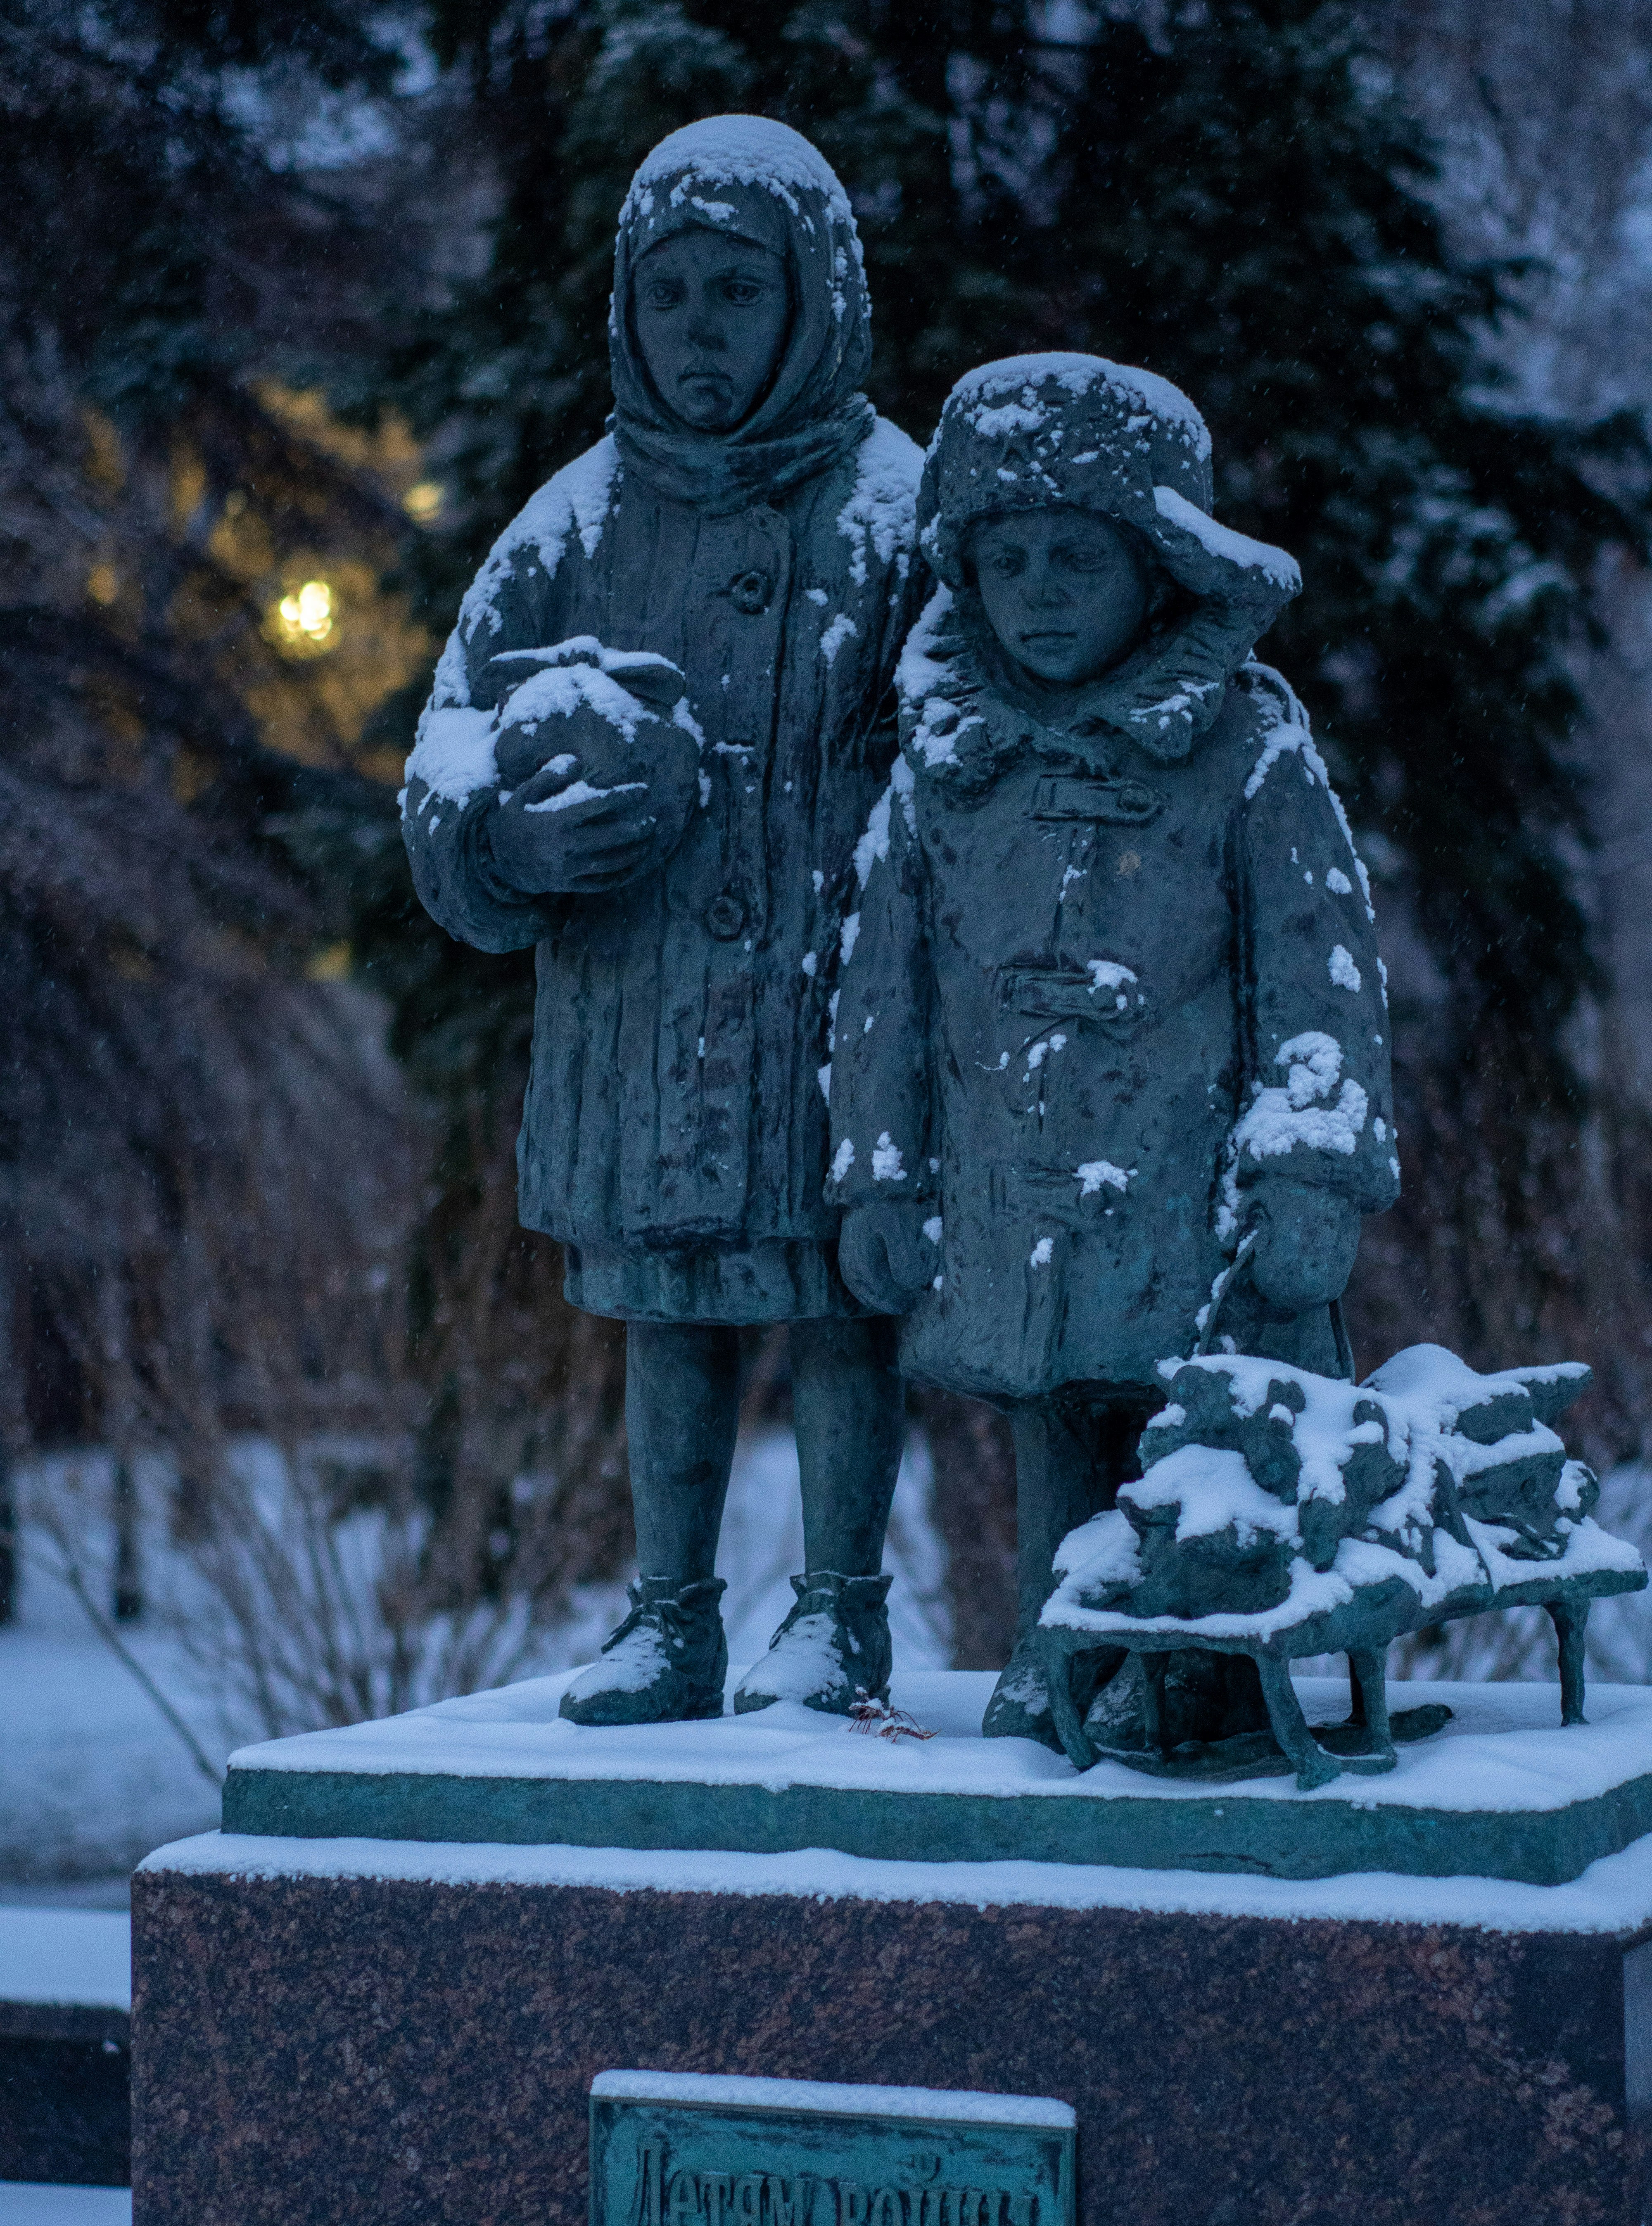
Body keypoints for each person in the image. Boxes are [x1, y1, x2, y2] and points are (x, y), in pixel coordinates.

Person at [401, 118, 926, 1725]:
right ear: (625, 309)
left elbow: (968, 749)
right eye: (672, 292)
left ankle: (841, 1611)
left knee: (841, 1308)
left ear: (813, 302)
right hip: (639, 1011)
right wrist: (501, 832)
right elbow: (445, 744)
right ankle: (669, 1616)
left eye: (737, 293)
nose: (701, 330)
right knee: (666, 1314)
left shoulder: (898, 512)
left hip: (832, 1007)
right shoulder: (575, 522)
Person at [825, 352, 1399, 1743]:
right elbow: (881, 981)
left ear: (1160, 566)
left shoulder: (1246, 748)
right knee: (1047, 1409)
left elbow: (1321, 976)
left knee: (1186, 1418)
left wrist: (1312, 1174)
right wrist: (880, 1175)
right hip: (1010, 1173)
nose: (1040, 591)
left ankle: (1195, 1647)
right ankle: (1056, 1637)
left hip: (1185, 1185)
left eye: (1078, 554)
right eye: (1007, 558)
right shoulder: (946, 764)